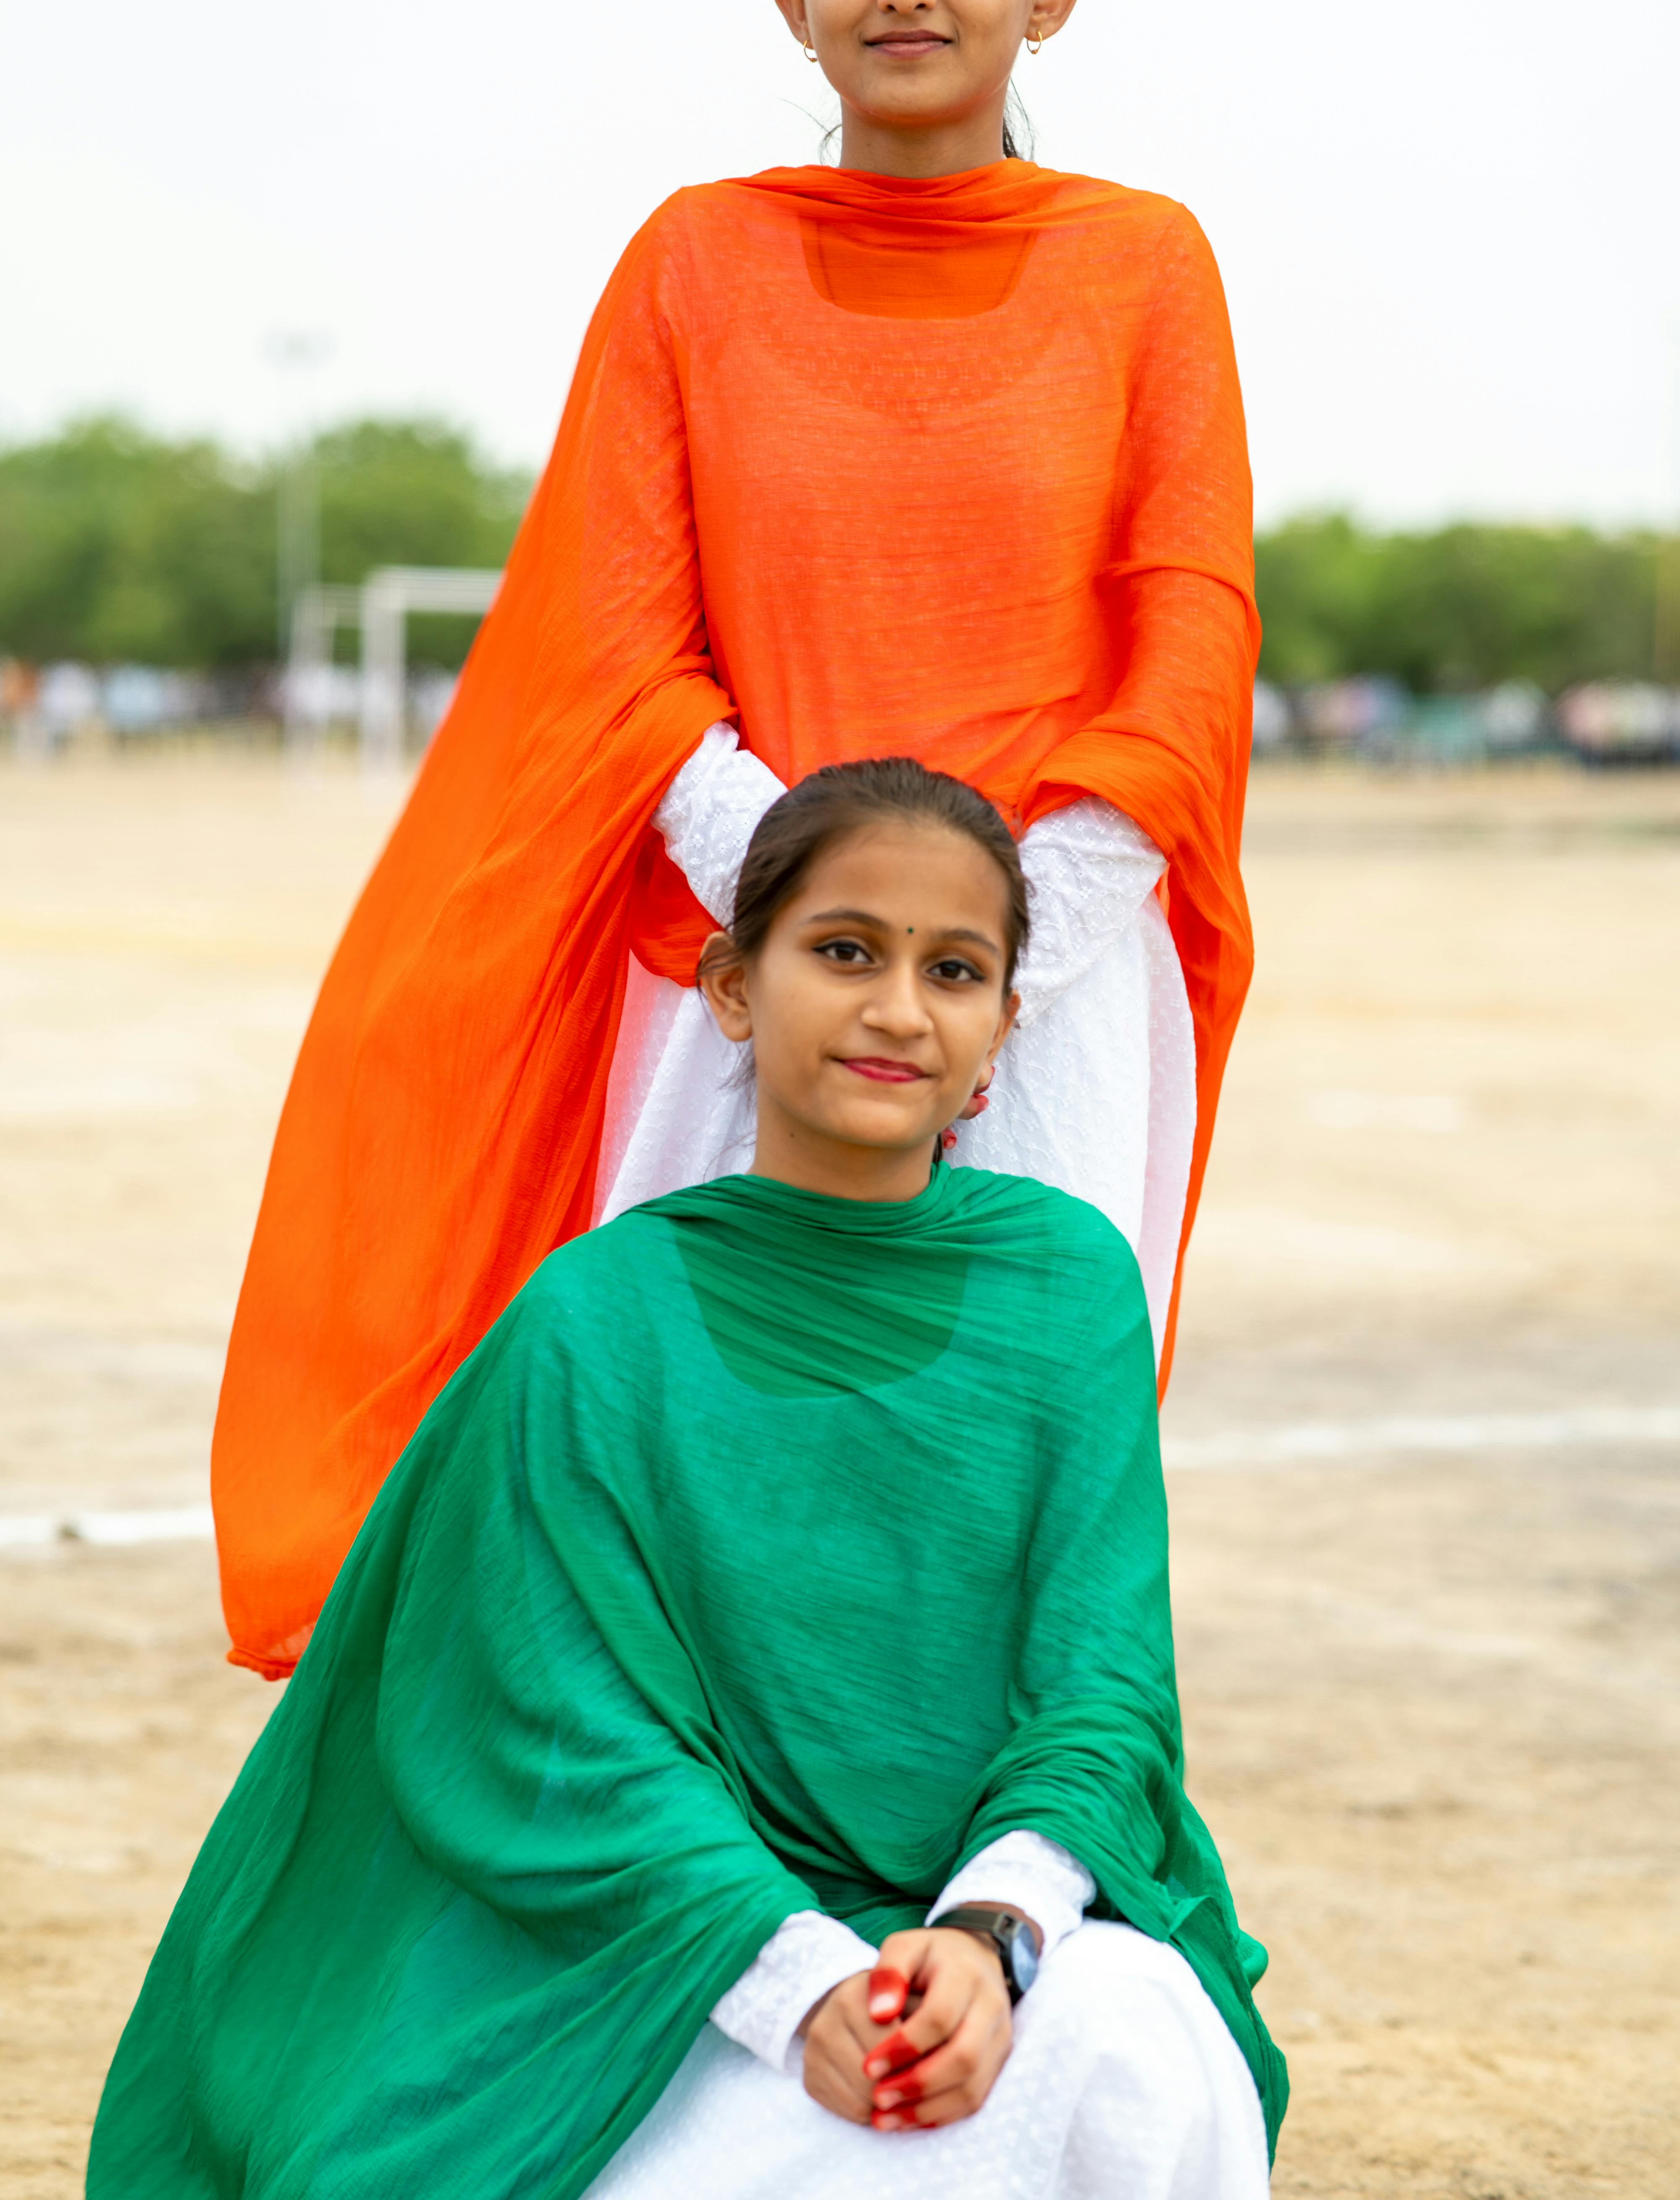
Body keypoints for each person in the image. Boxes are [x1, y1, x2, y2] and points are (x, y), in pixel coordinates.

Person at [211, 0, 1258, 1682]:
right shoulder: (697, 263)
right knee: (702, 1462)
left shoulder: (1144, 267)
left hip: (1062, 963)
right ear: (793, 1)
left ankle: (983, 1910)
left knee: (1002, 1462)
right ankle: (718, 1925)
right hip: (733, 957)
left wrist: (1015, 932)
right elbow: (620, 624)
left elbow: (1188, 608)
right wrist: (806, 920)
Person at [91, 762, 1285, 2199]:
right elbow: (560, 1736)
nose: (900, 1009)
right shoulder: (592, 1320)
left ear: (1002, 1030)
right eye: (845, 950)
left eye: (955, 970)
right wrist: (796, 1992)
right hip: (664, 1970)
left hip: (976, 1928)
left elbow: (1103, 1689)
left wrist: (991, 1936)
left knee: (1130, 2054)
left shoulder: (1070, 1286)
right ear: (731, 983)